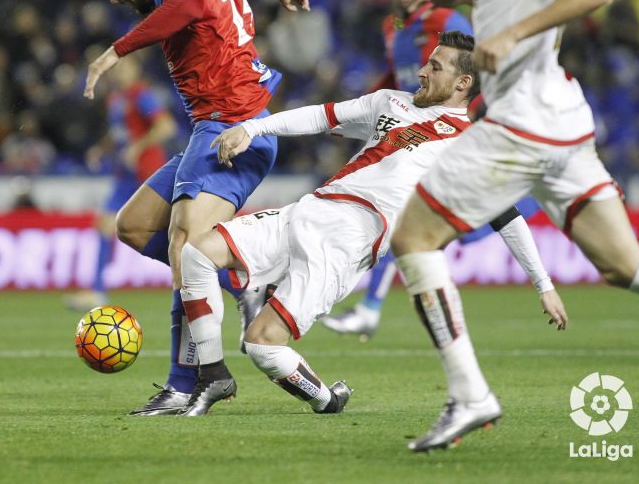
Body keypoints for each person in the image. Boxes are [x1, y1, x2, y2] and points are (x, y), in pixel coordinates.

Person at [390, 0, 639, 453]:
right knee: (622, 263)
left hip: (524, 119)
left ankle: (470, 396)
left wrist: (516, 33)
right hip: (559, 117)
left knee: (414, 236)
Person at [175, 32, 568, 416]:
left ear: (463, 82)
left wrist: (544, 285)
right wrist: (253, 127)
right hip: (309, 208)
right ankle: (212, 374)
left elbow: (506, 215)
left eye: (435, 66)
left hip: (349, 239)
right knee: (196, 254)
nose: (422, 72)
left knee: (262, 346)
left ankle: (326, 400)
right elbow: (321, 115)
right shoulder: (389, 101)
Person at [84, 0, 311, 415]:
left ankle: (192, 381)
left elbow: (183, 9)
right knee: (134, 225)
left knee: (186, 248)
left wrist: (114, 53)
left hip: (231, 128)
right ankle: (239, 276)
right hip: (215, 131)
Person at [321, 0, 546, 339]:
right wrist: (366, 107)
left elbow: (477, 71)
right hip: (415, 128)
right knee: (408, 222)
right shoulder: (392, 28)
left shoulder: (447, 20)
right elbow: (400, 78)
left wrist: (461, 125)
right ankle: (377, 309)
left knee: (419, 221)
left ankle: (373, 309)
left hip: (449, 131)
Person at [66, 54, 176, 310]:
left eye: (125, 66)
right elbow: (121, 134)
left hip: (147, 173)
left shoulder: (141, 95)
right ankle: (97, 291)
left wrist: (138, 148)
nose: (118, 71)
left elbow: (166, 127)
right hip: (124, 175)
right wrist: (102, 149)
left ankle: (214, 274)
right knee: (103, 225)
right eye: (116, 67)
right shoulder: (116, 99)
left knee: (173, 232)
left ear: (136, 69)